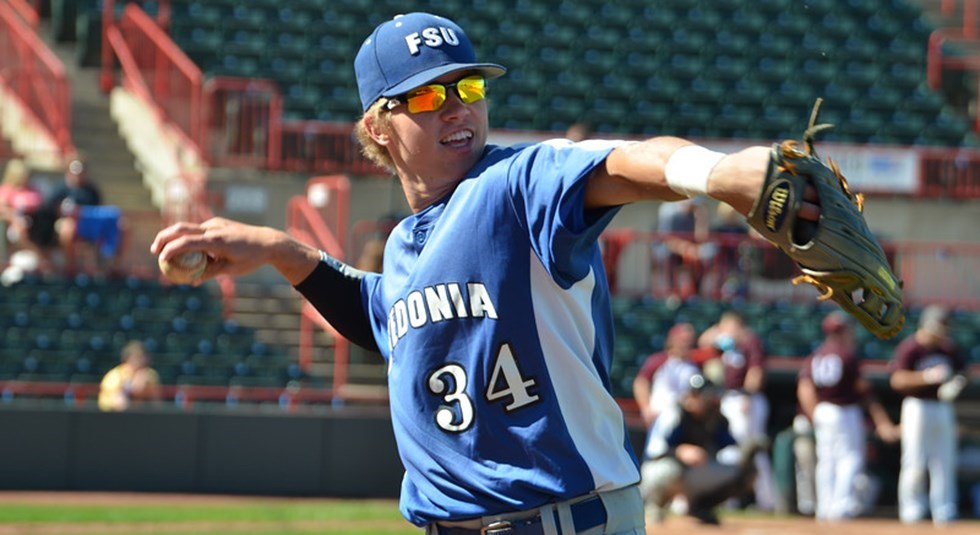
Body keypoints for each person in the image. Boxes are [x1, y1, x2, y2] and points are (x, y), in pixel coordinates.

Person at [151, 12, 823, 532]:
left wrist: (715, 173)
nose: (457, 106)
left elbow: (621, 161)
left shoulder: (514, 183)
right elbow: (386, 316)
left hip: (564, 518)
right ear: (378, 126)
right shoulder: (404, 249)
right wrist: (279, 250)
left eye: (466, 85)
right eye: (427, 95)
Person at [797, 312, 900, 521]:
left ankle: (824, 508)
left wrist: (814, 414)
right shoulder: (847, 355)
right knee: (850, 458)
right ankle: (841, 507)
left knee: (826, 460)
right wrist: (881, 420)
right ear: (842, 331)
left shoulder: (816, 355)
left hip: (822, 410)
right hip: (844, 410)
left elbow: (805, 388)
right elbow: (864, 390)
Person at [638, 374, 759, 525]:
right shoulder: (674, 413)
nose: (710, 400)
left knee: (745, 474)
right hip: (657, 470)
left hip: (693, 473)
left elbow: (733, 444)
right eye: (705, 396)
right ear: (691, 396)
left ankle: (699, 508)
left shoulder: (714, 418)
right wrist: (679, 451)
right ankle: (652, 505)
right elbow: (653, 452)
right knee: (671, 469)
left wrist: (749, 448)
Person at [889, 305, 968, 525]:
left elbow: (962, 373)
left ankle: (944, 511)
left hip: (942, 407)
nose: (944, 329)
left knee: (944, 460)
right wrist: (926, 377)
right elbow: (897, 380)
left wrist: (955, 383)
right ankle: (912, 510)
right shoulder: (911, 348)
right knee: (915, 459)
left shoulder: (948, 349)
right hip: (917, 405)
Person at [698, 310, 775, 511]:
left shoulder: (750, 342)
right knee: (731, 448)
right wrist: (717, 331)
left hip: (746, 399)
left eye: (729, 327)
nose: (726, 331)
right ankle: (727, 499)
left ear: (739, 326)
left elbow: (756, 371)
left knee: (752, 449)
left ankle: (766, 500)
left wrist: (748, 395)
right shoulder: (729, 345)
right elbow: (702, 342)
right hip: (730, 398)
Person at [633, 322, 701, 429]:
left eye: (689, 341)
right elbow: (641, 382)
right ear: (673, 340)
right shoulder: (659, 360)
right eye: (683, 340)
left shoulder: (695, 366)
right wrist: (646, 407)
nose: (686, 344)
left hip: (685, 416)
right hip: (660, 413)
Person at [654, 198, 709, 299]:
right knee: (668, 257)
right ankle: (672, 292)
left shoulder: (694, 217)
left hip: (690, 252)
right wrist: (684, 248)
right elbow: (668, 240)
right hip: (675, 251)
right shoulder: (675, 217)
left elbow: (701, 238)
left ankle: (696, 293)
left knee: (703, 260)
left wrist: (700, 218)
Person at [98, 340, 162, 412]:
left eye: (142, 357)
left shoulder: (150, 375)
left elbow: (157, 402)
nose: (141, 360)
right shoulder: (115, 375)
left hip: (144, 416)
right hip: (114, 416)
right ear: (127, 358)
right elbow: (112, 401)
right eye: (137, 357)